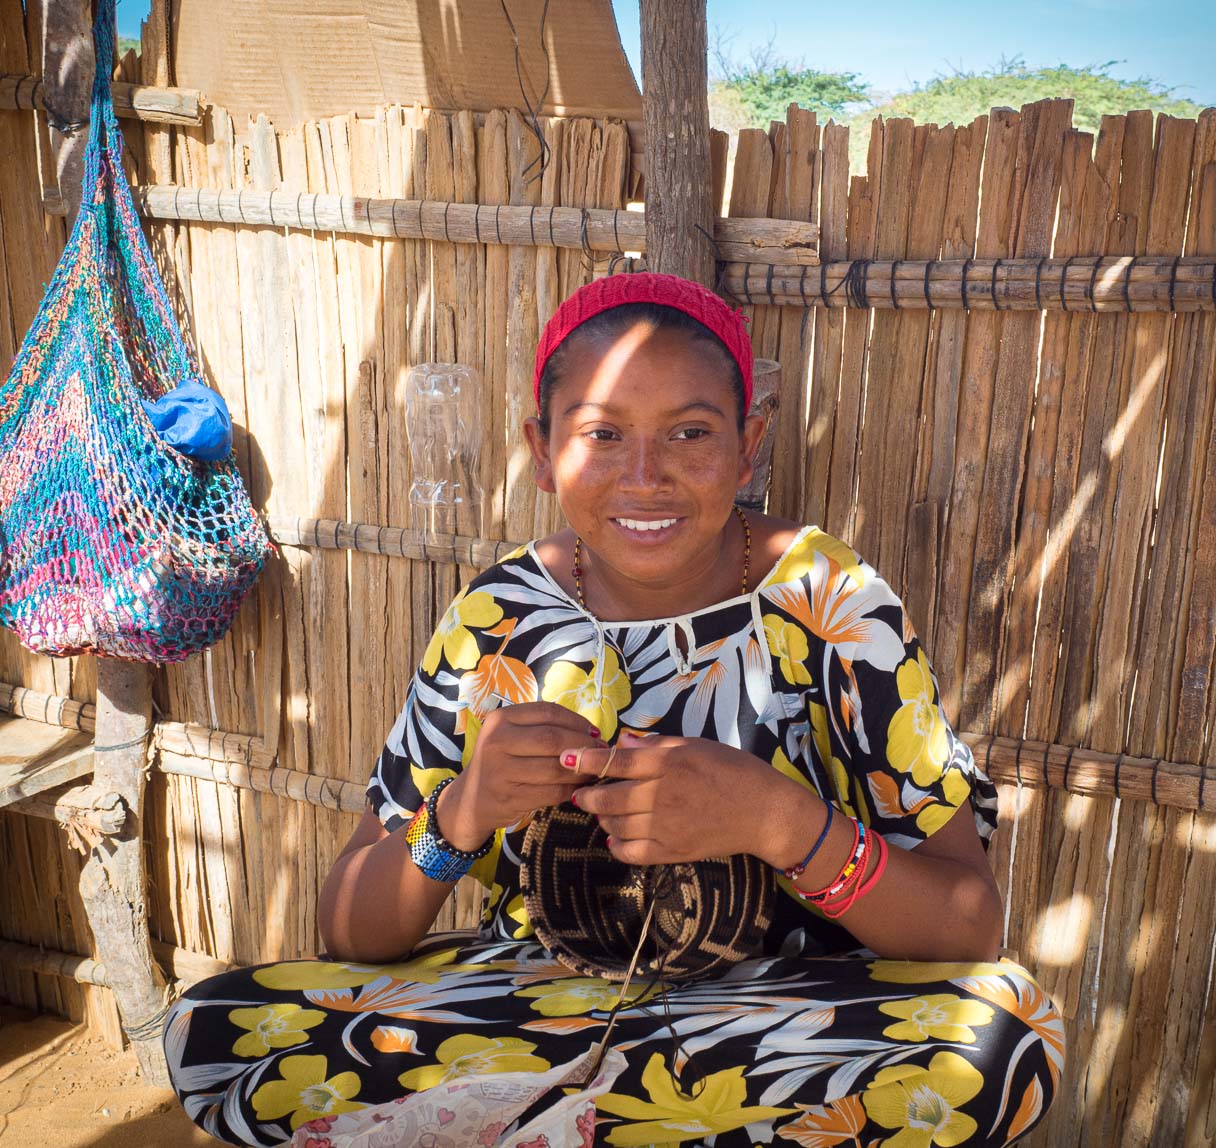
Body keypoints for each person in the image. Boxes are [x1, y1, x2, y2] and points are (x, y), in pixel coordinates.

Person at [165, 272, 1064, 1147]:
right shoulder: (499, 620)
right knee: (217, 1028)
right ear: (542, 446)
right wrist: (465, 808)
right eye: (601, 434)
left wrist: (780, 821)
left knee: (999, 1038)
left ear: (748, 447)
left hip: (790, 1013)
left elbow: (967, 922)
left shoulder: (829, 605)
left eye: (690, 433)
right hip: (538, 1007)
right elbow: (351, 933)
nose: (646, 477)